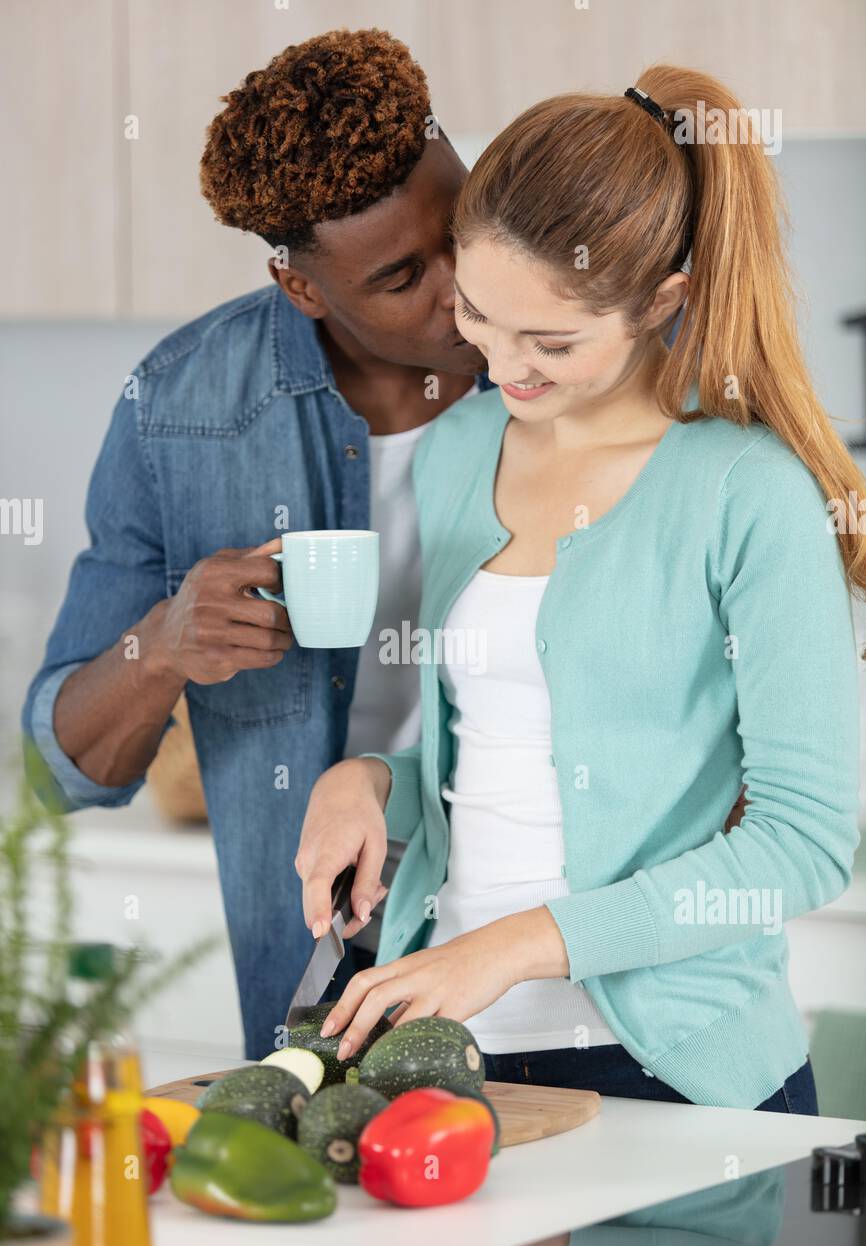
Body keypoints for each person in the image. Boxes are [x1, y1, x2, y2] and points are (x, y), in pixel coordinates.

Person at [295, 66, 864, 1112]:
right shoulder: (461, 449)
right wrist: (371, 780)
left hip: (666, 1073)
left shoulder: (746, 494)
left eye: (550, 343)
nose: (501, 369)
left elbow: (804, 841)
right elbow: (502, 741)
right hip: (445, 1051)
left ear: (659, 302)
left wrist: (520, 946)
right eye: (475, 314)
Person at [22, 29, 492, 1061]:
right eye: (403, 274)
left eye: (461, 224)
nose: (460, 286)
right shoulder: (178, 407)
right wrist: (165, 641)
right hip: (331, 981)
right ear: (305, 290)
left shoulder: (581, 356)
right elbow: (64, 766)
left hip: (549, 949)